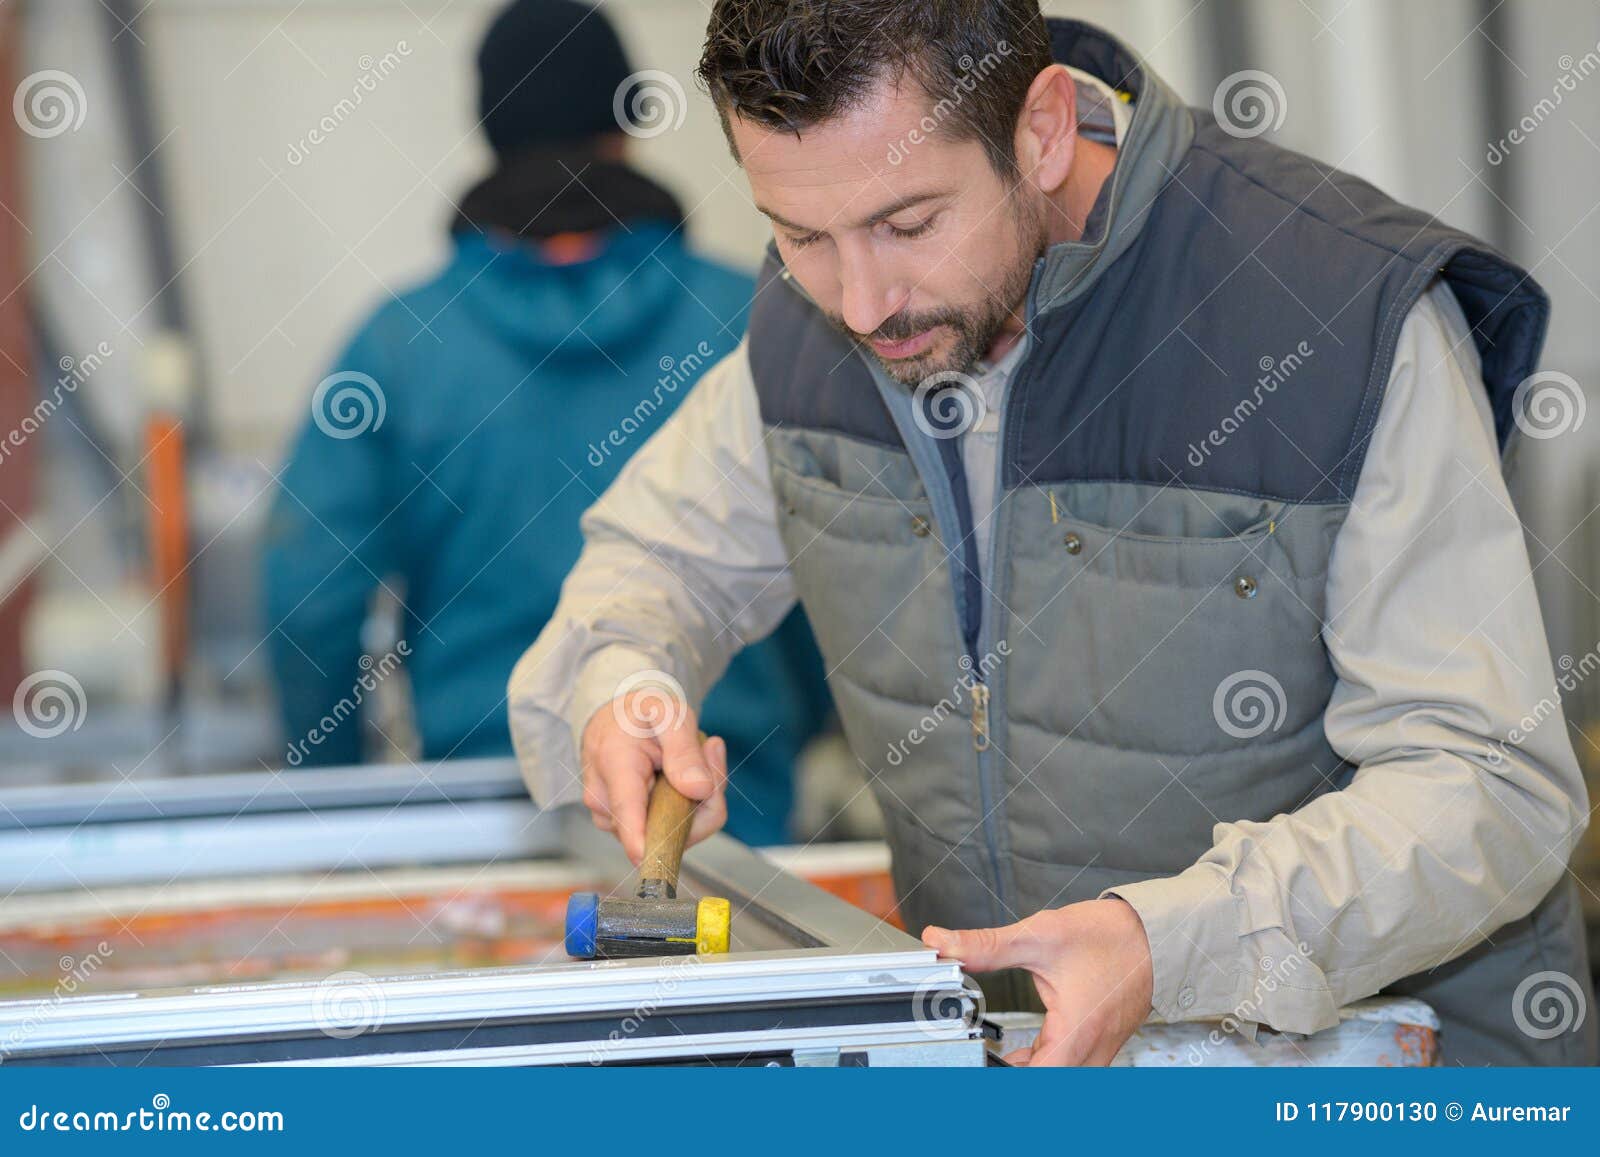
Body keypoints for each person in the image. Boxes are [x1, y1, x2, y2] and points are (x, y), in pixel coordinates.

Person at [509, 2, 1597, 1065]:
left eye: (909, 222)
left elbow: (1486, 781)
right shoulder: (810, 327)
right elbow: (658, 560)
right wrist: (624, 679)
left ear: (1037, 131)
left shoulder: (1337, 312)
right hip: (1029, 1074)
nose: (859, 302)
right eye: (798, 234)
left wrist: (1165, 943)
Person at [261, 0, 830, 845]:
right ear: (631, 119)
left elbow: (306, 596)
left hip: (482, 838)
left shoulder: (399, 347)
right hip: (722, 816)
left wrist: (334, 806)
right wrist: (811, 722)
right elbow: (846, 556)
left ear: (488, 129)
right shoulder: (758, 314)